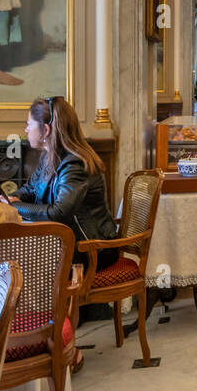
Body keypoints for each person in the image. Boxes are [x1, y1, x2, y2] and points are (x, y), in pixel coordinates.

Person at [9, 97, 117, 272]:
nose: (26, 129)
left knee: (20, 266)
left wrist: (14, 206)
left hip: (92, 250)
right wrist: (13, 197)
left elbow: (59, 213)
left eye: (29, 124)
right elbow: (30, 188)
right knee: (15, 260)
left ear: (45, 129)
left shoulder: (74, 164)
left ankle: (53, 299)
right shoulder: (50, 156)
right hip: (70, 244)